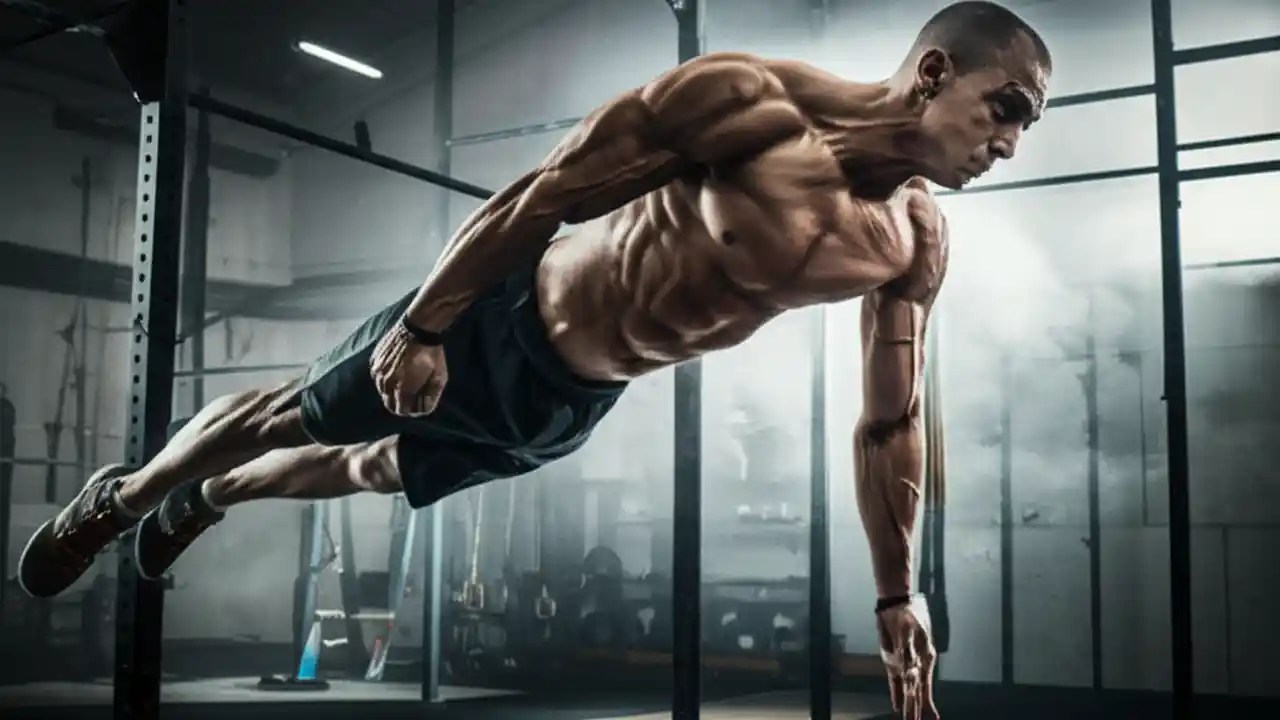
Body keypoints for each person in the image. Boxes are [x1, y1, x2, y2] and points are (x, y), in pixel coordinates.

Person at [20, 2, 1049, 716]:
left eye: (1026, 125)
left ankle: (209, 500)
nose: (1007, 139)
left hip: (577, 398)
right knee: (302, 410)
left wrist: (893, 593)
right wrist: (425, 326)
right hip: (505, 317)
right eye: (1004, 106)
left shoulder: (913, 245)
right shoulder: (749, 103)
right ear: (931, 72)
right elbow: (545, 193)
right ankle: (120, 499)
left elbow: (887, 423)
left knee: (371, 468)